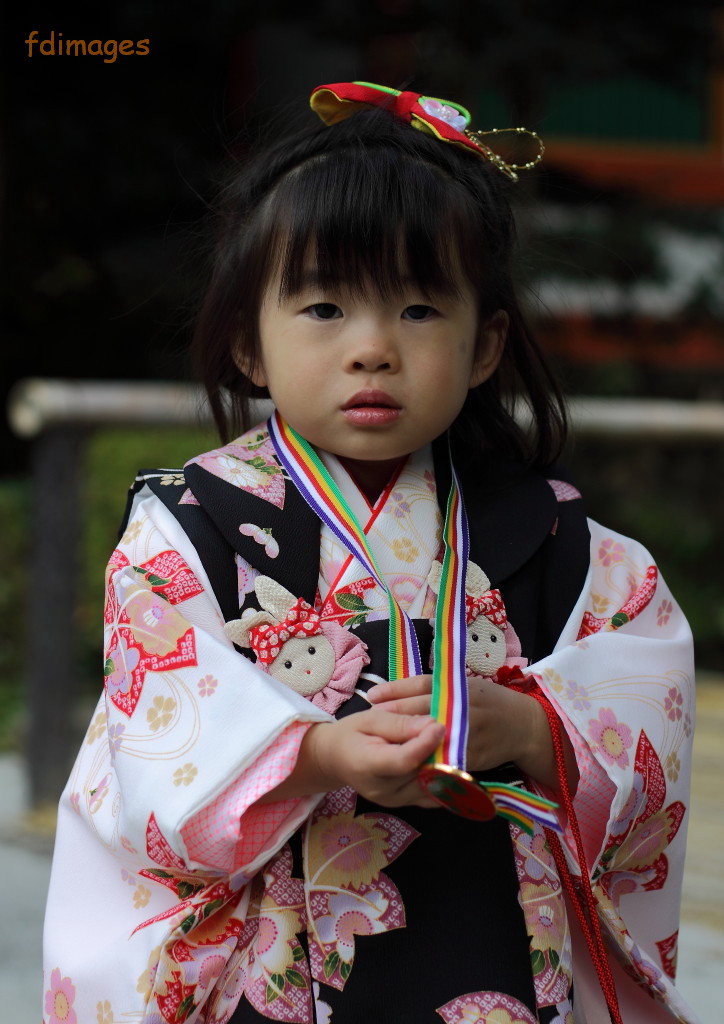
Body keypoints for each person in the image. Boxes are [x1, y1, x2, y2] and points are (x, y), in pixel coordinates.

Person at [43, 81, 700, 1024]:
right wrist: (312, 755)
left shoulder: (562, 544)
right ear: (247, 344)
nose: (373, 349)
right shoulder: (190, 530)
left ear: (486, 345)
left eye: (420, 311)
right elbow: (155, 732)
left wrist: (527, 729)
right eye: (322, 308)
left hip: (498, 938)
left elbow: (649, 700)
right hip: (274, 954)